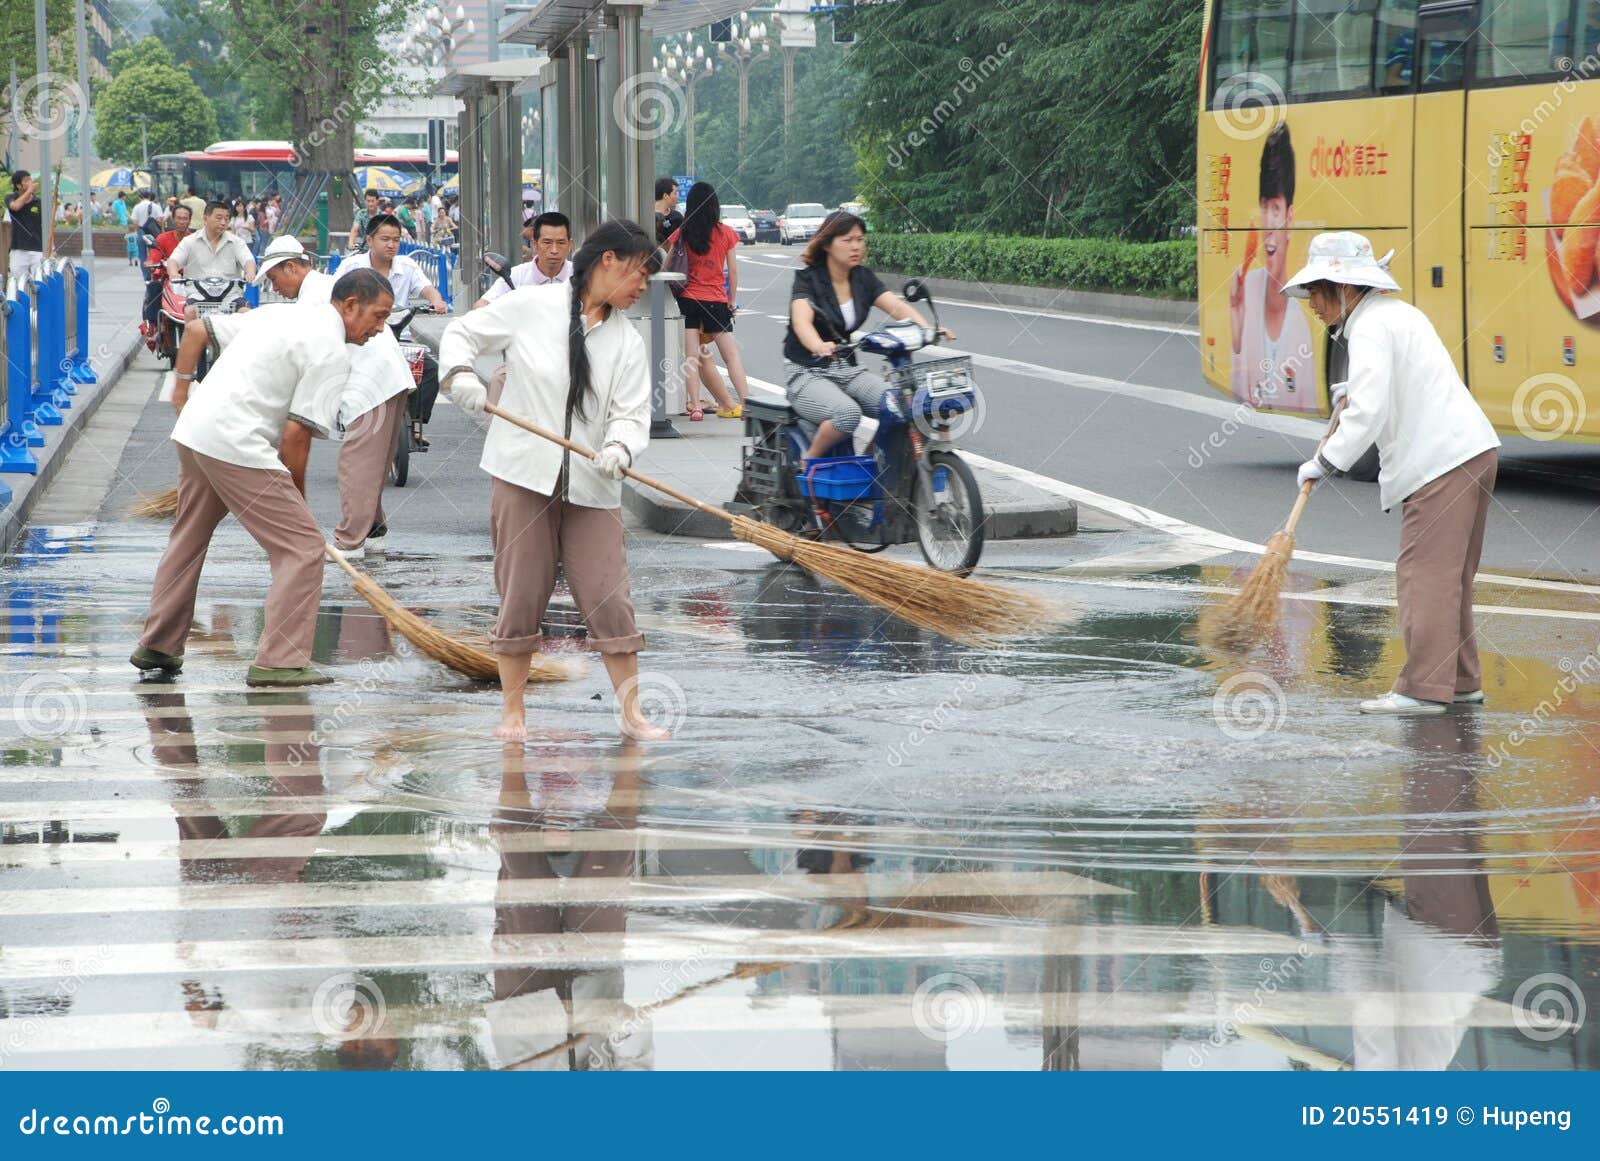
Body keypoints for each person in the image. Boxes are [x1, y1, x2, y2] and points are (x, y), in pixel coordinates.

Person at [437, 219, 669, 743]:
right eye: (640, 275)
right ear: (609, 260)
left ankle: (632, 715)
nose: (641, 288)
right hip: (523, 475)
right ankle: (513, 713)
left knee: (610, 598)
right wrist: (462, 377)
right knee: (521, 594)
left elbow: (632, 414)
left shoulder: (627, 341)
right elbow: (461, 332)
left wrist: (620, 447)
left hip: (593, 485)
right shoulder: (531, 306)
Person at [130, 267, 394, 688]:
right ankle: (280, 661)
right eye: (378, 316)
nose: (380, 329)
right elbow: (295, 437)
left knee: (188, 538)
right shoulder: (332, 352)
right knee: (304, 548)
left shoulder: (279, 313)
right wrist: (299, 508)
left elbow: (197, 329)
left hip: (196, 432)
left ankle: (158, 643)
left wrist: (181, 386)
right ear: (349, 305)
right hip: (236, 443)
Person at [1286, 232, 1501, 715]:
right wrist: (1354, 388)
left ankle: (1421, 689)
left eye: (1317, 293)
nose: (1313, 305)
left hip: (1440, 463)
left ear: (1344, 288)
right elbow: (1396, 383)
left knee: (1422, 574)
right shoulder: (1397, 315)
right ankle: (1461, 680)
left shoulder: (1370, 328)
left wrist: (1324, 462)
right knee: (1452, 577)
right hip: (1474, 452)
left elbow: (1369, 412)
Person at [255, 235, 412, 560]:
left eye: (274, 279)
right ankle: (373, 529)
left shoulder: (318, 297)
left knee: (357, 463)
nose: (276, 287)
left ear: (291, 267)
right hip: (384, 376)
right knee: (372, 463)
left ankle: (349, 542)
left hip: (372, 381)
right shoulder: (325, 287)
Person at [783, 210, 952, 462]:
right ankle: (809, 463)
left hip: (847, 369)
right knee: (847, 414)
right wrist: (817, 345)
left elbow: (896, 307)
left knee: (904, 408)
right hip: (807, 371)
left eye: (860, 239)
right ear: (828, 244)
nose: (856, 247)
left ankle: (873, 467)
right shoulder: (808, 279)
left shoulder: (863, 278)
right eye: (847, 240)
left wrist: (927, 328)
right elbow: (801, 320)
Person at [337, 213, 447, 450]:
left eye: (395, 239)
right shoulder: (351, 266)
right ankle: (350, 422)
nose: (391, 244)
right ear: (369, 239)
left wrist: (437, 301)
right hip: (362, 341)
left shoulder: (407, 266)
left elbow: (427, 288)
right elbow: (333, 296)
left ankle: (415, 425)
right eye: (385, 239)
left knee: (430, 371)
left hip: (400, 339)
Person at [1229, 121, 1316, 413]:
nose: (1268, 223)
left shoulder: (1303, 326)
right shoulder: (1246, 291)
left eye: (1275, 209)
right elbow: (1241, 393)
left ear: (1290, 219)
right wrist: (1236, 321)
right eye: (1264, 207)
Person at [667, 182, 751, 420]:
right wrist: (731, 300)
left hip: (688, 300)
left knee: (692, 358)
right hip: (715, 300)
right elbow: (732, 271)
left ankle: (695, 406)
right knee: (731, 356)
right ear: (715, 205)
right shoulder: (725, 233)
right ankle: (747, 403)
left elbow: (668, 266)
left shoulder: (683, 232)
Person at [166, 201, 257, 320]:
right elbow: (173, 260)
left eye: (226, 218)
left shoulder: (237, 242)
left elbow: (248, 260)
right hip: (198, 295)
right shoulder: (190, 241)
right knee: (189, 312)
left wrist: (250, 272)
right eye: (218, 218)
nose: (223, 222)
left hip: (230, 296)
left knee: (247, 314)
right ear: (205, 218)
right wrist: (174, 273)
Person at [474, 211, 572, 308]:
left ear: (569, 245)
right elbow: (480, 306)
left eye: (561, 243)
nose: (554, 250)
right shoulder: (515, 277)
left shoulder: (582, 275)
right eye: (547, 242)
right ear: (534, 244)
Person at [142, 204, 194, 335]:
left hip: (191, 281)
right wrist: (151, 264)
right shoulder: (162, 238)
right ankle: (152, 326)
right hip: (168, 281)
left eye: (185, 218)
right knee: (154, 287)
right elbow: (153, 257)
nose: (182, 222)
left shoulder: (195, 240)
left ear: (189, 220)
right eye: (179, 218)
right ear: (173, 219)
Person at [5, 170, 46, 283]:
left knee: (39, 281)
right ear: (18, 185)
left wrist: (51, 248)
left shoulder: (39, 202)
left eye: (30, 179)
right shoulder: (10, 198)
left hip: (37, 249)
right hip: (18, 249)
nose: (30, 182)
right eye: (26, 180)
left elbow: (47, 225)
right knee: (18, 282)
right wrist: (29, 191)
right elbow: (15, 207)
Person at [131, 189, 162, 279]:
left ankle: (146, 277)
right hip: (153, 233)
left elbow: (135, 222)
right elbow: (160, 220)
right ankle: (154, 273)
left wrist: (138, 231)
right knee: (154, 253)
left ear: (139, 197)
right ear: (149, 196)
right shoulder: (156, 206)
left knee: (142, 255)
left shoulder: (137, 207)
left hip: (141, 231)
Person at [653, 176, 682, 244]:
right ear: (665, 195)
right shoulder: (647, 216)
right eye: (675, 193)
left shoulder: (677, 217)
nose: (677, 197)